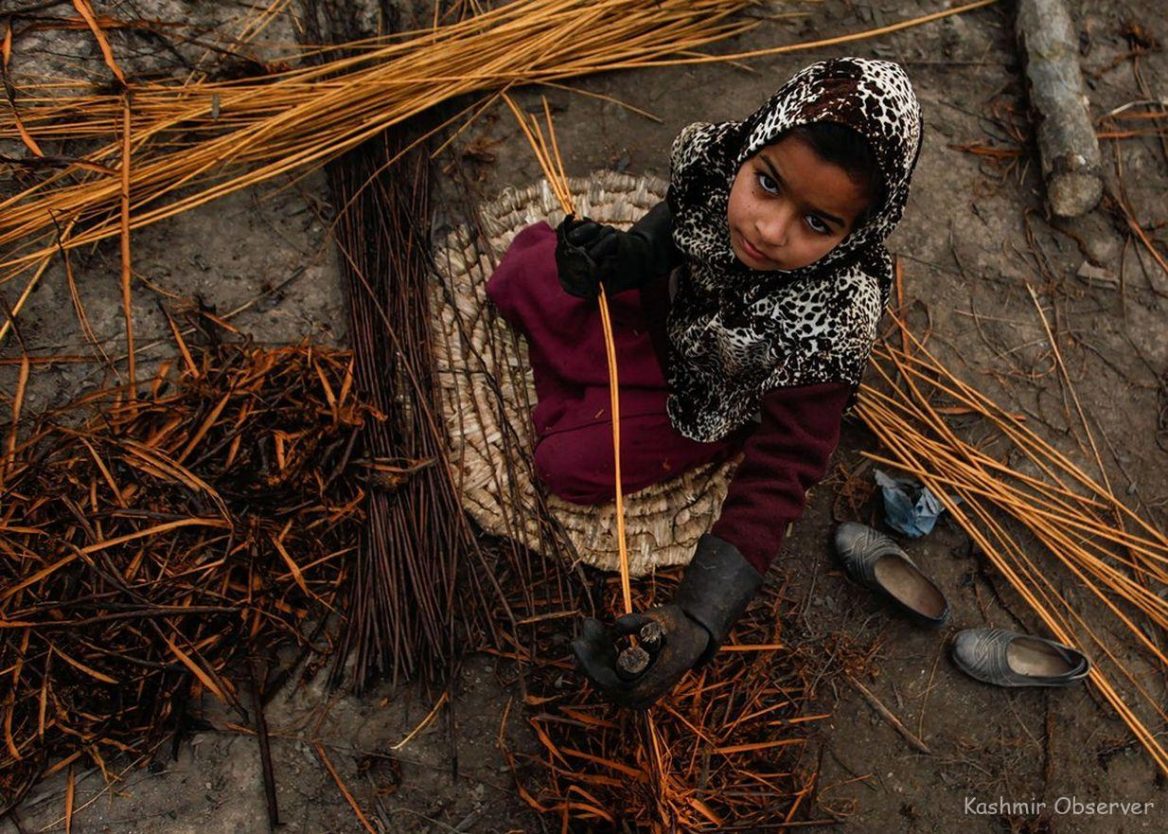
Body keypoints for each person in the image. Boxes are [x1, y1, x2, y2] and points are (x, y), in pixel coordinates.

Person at [485, 57, 923, 708]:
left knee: (565, 461)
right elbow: (674, 228)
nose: (769, 230)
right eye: (768, 184)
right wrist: (626, 257)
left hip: (708, 398)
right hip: (668, 309)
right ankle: (590, 369)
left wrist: (698, 616)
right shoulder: (718, 161)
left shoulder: (831, 321)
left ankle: (608, 397)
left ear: (860, 230)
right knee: (525, 269)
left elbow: (785, 471)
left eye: (819, 224)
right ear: (755, 143)